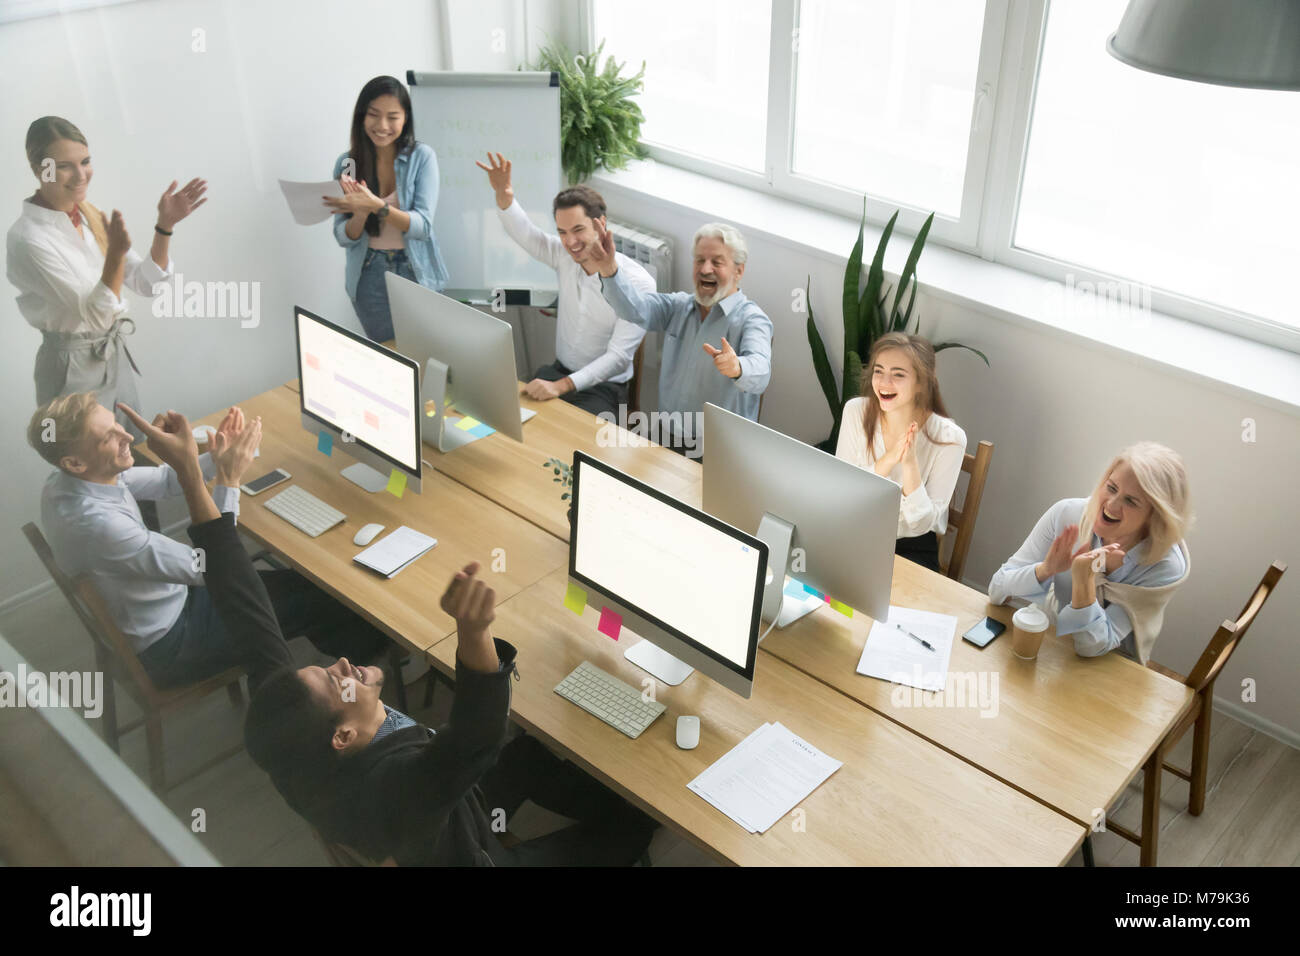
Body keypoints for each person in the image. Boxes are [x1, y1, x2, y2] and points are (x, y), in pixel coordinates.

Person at [102, 411, 661, 867]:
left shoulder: (289, 719)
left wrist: (194, 478)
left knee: (546, 755)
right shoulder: (397, 789)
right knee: (637, 824)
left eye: (325, 668)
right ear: (343, 738)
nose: (341, 662)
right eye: (337, 681)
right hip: (466, 852)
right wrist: (471, 633)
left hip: (453, 809)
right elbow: (473, 740)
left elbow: (239, 596)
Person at [29, 392, 393, 690]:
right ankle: (367, 686)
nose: (127, 437)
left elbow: (166, 480)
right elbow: (215, 567)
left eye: (115, 425)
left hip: (173, 602)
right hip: (175, 642)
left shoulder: (69, 482)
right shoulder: (99, 527)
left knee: (307, 588)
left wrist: (213, 458)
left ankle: (344, 667)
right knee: (327, 595)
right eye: (108, 437)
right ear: (74, 462)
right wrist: (228, 480)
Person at [7, 116, 207, 441]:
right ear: (38, 169)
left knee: (132, 452)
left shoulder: (88, 213)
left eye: (85, 162)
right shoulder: (28, 239)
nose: (81, 174)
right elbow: (97, 311)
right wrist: (114, 255)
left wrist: (165, 225)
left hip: (111, 354)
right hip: (70, 367)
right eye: (64, 166)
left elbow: (146, 283)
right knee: (90, 467)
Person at [475, 153, 655, 418]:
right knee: (512, 423)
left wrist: (560, 387)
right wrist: (504, 194)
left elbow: (617, 357)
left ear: (600, 224)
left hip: (604, 388)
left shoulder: (639, 283)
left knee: (572, 447)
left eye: (578, 229)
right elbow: (525, 233)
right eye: (562, 232)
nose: (570, 242)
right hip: (558, 371)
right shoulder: (564, 255)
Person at [988, 442, 1192, 662]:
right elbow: (996, 590)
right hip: (1055, 645)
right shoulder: (1067, 514)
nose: (1111, 505)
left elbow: (1090, 647)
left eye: (1131, 501)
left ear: (1155, 516)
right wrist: (1045, 569)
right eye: (1111, 488)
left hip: (1114, 665)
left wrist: (1083, 582)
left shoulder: (1165, 566)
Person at [586, 218, 772, 456]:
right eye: (700, 260)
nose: (705, 269)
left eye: (717, 262)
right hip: (666, 435)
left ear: (739, 270)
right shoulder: (678, 306)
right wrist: (608, 268)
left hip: (719, 451)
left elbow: (761, 370)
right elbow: (634, 308)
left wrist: (738, 367)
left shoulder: (753, 320)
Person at [326, 76, 448, 342]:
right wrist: (359, 214)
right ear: (361, 117)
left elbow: (423, 227)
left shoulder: (422, 157)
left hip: (416, 270)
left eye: (393, 117)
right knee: (387, 358)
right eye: (373, 115)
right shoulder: (348, 163)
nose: (382, 126)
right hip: (369, 272)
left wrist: (377, 206)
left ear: (406, 119)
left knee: (426, 354)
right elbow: (342, 236)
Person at [835, 332, 967, 572]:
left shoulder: (950, 438)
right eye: (878, 371)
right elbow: (843, 493)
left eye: (898, 375)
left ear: (921, 382)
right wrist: (888, 460)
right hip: (854, 529)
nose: (884, 383)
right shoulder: (856, 411)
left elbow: (922, 523)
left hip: (911, 547)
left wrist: (909, 464)